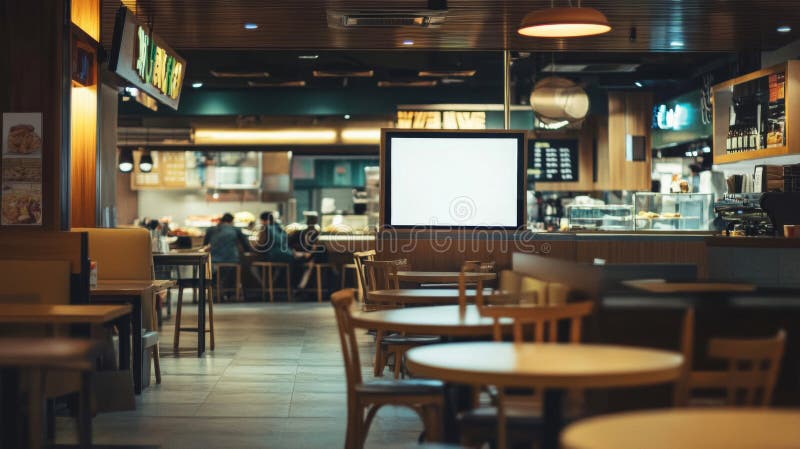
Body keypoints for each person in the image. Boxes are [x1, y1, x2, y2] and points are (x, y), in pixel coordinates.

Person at [203, 213, 250, 300]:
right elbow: (246, 245)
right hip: (232, 259)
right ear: (231, 221)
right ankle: (232, 292)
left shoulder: (211, 229)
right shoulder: (236, 229)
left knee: (216, 272)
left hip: (213, 260)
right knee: (239, 268)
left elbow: (205, 244)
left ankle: (216, 291)